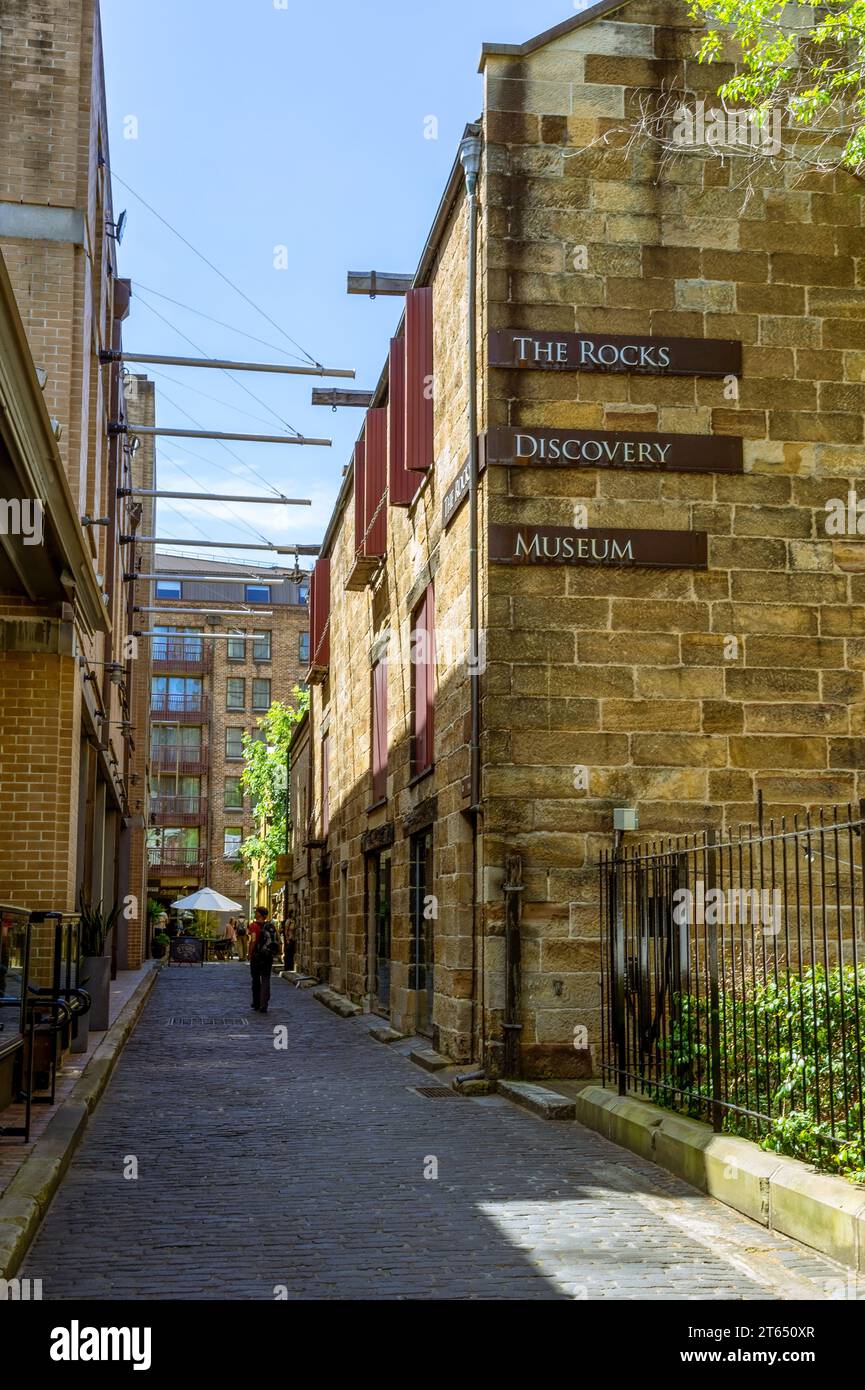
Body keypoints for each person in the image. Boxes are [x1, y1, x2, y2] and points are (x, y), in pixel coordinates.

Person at [249, 905, 279, 1013]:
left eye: (256, 912)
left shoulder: (254, 926)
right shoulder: (271, 926)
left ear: (259, 914)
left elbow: (253, 940)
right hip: (268, 956)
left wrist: (250, 953)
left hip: (257, 956)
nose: (255, 913)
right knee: (266, 979)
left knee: (256, 979)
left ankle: (256, 1002)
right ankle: (264, 1003)